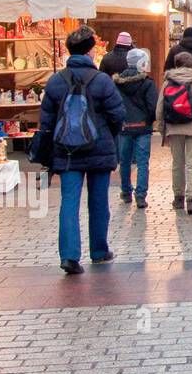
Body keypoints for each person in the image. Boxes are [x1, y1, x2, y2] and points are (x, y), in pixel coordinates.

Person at [35, 24, 126, 274]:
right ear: (90, 51)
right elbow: (118, 114)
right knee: (98, 201)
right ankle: (99, 251)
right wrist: (107, 134)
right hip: (99, 148)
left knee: (69, 202)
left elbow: (46, 121)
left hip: (66, 151)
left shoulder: (56, 81)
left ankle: (69, 256)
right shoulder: (102, 80)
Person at [156, 51, 192, 215]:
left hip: (174, 127)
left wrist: (162, 129)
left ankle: (178, 198)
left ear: (176, 65)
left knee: (177, 163)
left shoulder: (168, 82)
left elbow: (160, 108)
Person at [113, 47, 158, 208]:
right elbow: (153, 106)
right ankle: (140, 195)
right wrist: (150, 120)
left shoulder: (116, 83)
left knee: (124, 162)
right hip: (143, 127)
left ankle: (126, 192)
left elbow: (113, 105)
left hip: (124, 127)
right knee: (142, 163)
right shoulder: (147, 83)